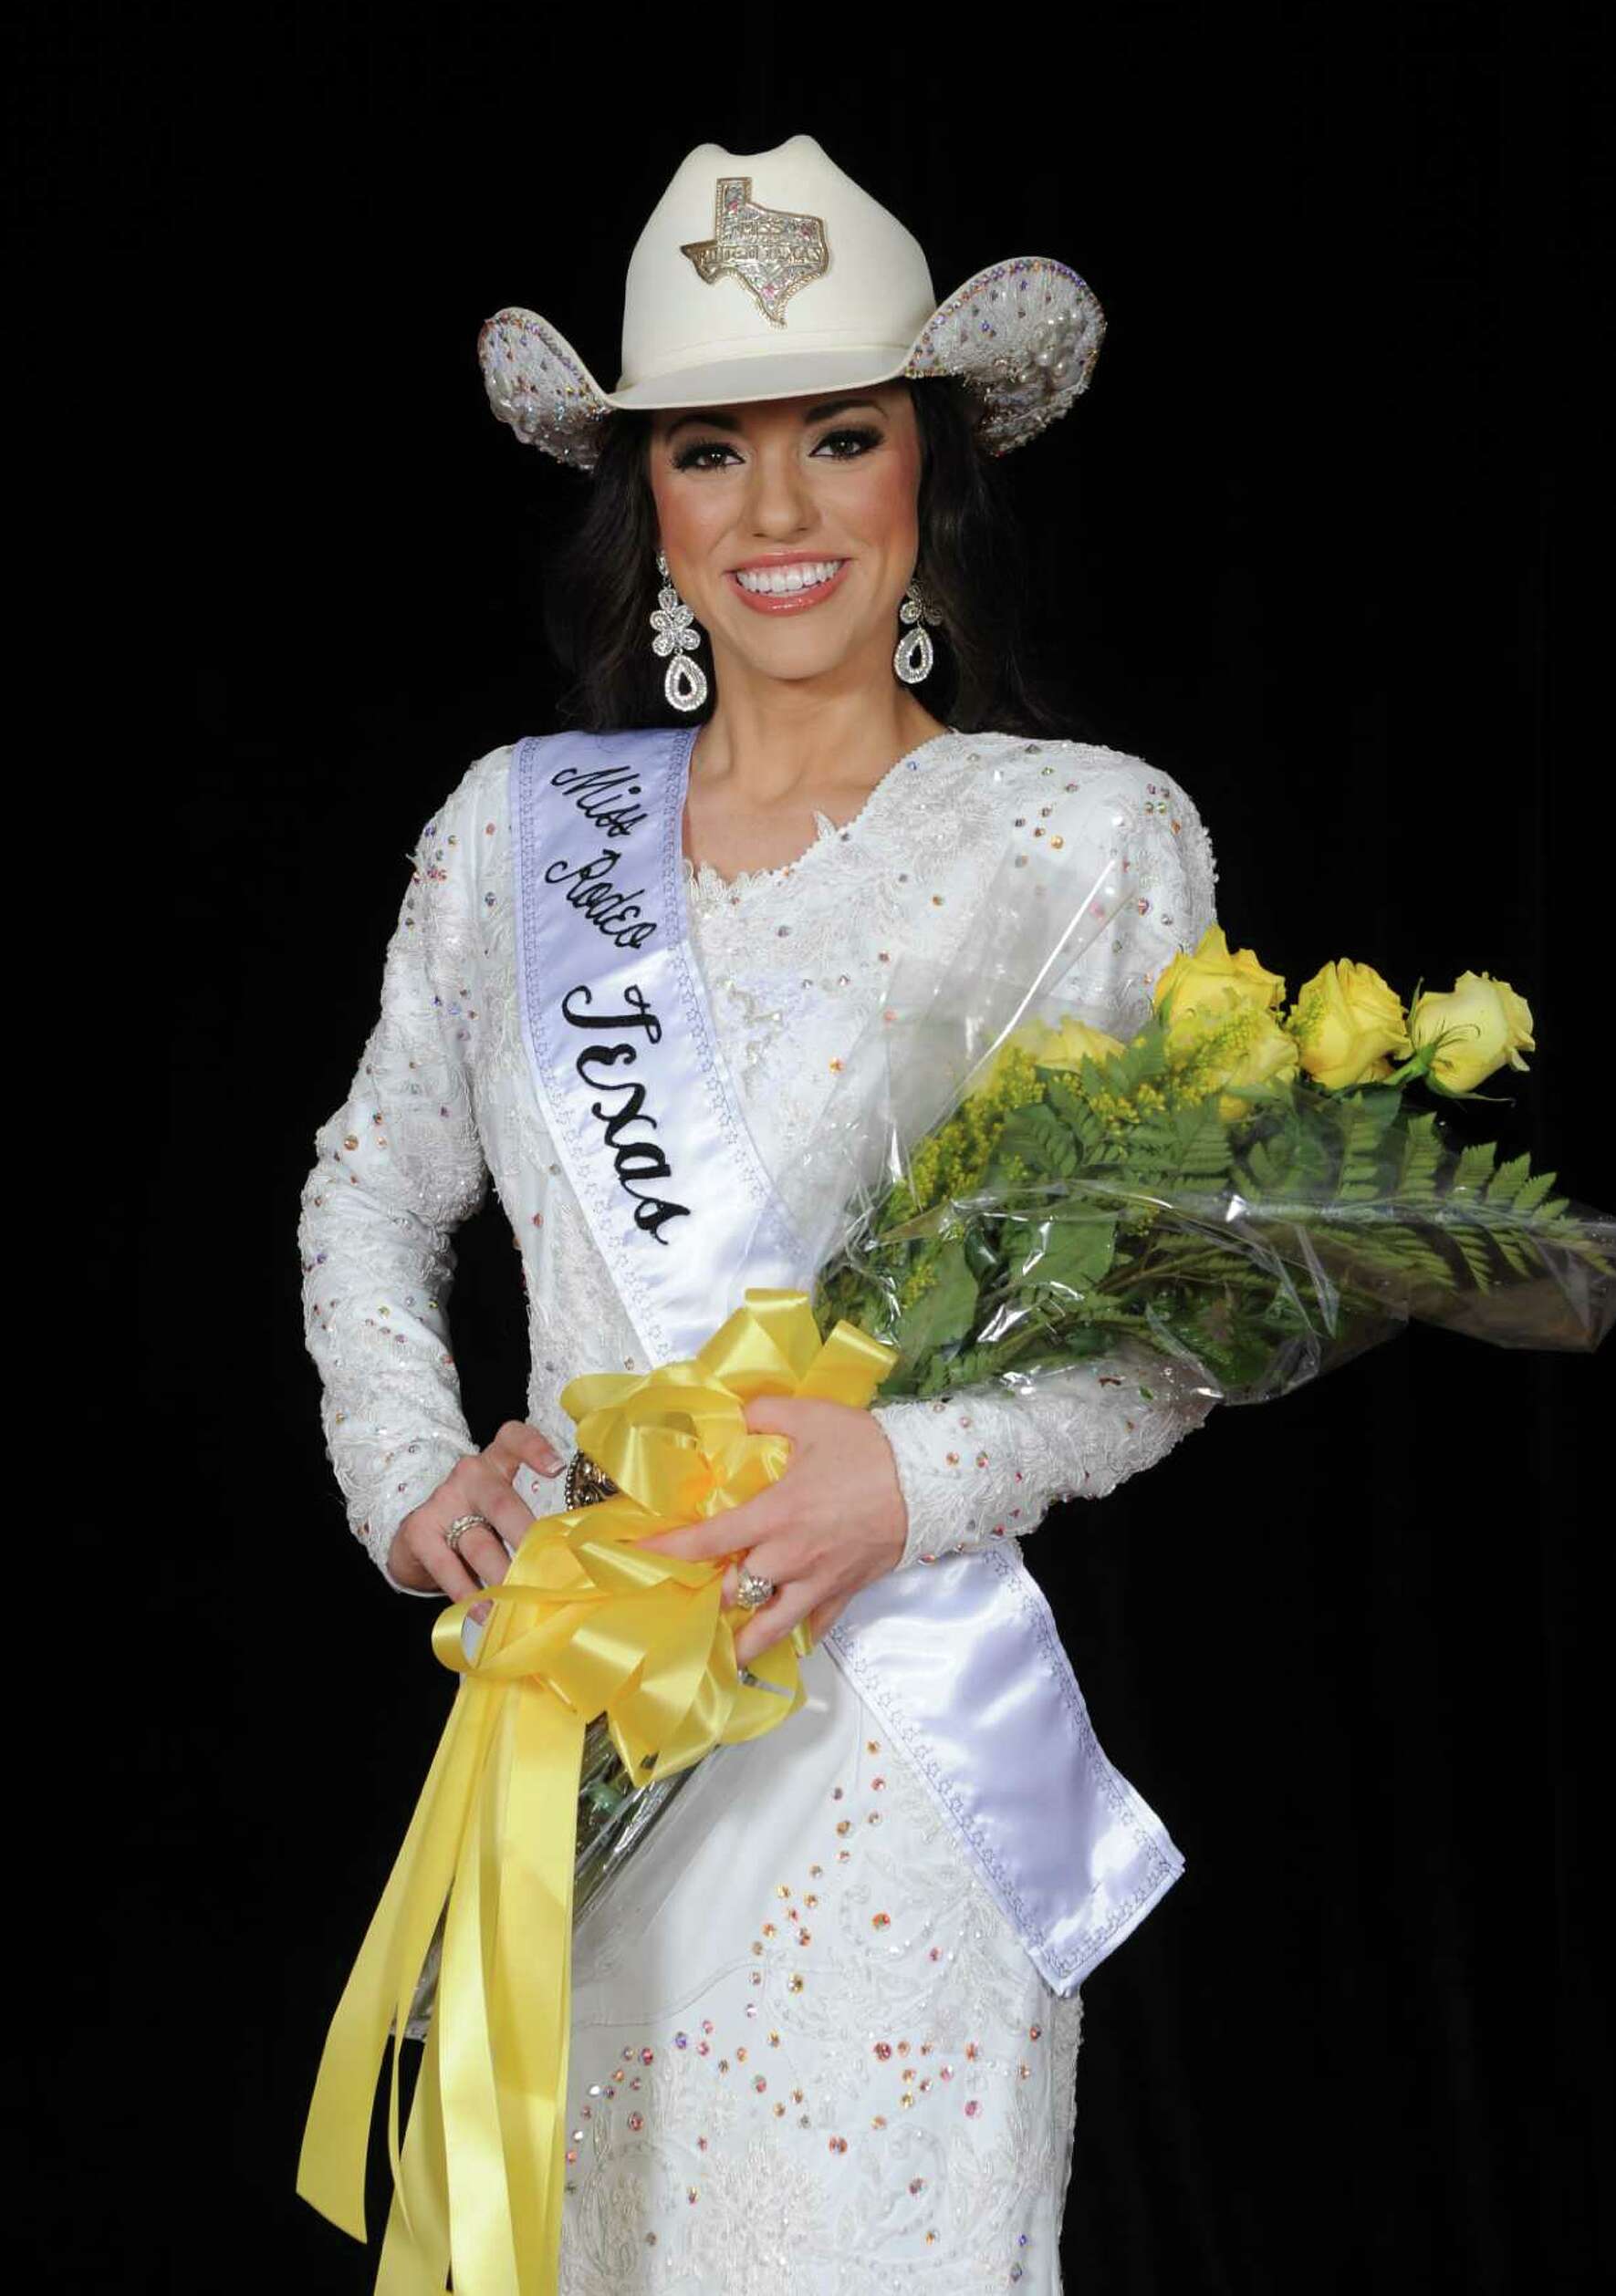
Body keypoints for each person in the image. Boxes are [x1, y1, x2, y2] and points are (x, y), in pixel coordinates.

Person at [297, 135, 1221, 2293]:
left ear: (931, 476)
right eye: (713, 450)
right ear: (651, 505)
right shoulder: (523, 839)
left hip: (895, 1757)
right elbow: (372, 1181)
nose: (779, 512)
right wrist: (408, 1470)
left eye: (841, 438)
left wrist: (907, 1473)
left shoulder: (1081, 838)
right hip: (581, 1739)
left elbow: (1182, 1314)